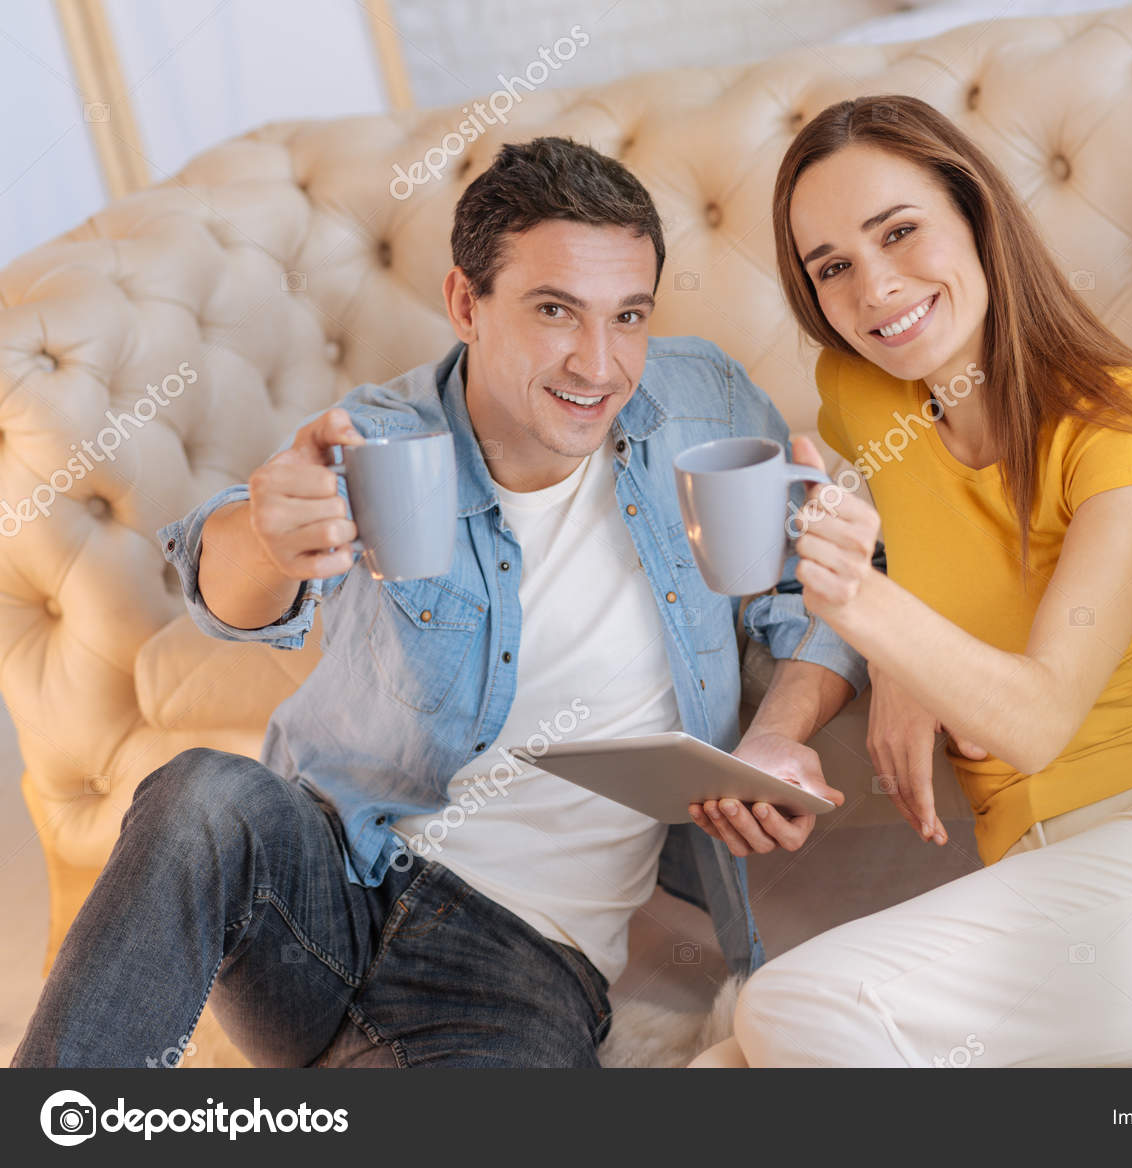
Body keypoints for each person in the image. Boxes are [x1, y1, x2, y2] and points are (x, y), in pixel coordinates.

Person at [13, 137, 866, 1069]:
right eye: (554, 311)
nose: (600, 363)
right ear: (467, 303)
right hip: (329, 888)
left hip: (523, 961)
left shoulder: (704, 405)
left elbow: (821, 587)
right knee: (203, 796)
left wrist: (778, 733)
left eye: (629, 315)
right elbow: (225, 596)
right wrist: (264, 536)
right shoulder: (387, 442)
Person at [690, 95, 1132, 1068]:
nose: (876, 289)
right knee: (728, 1063)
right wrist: (803, 718)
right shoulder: (864, 393)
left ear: (976, 217)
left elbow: (1036, 718)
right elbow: (906, 544)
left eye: (900, 233)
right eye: (833, 268)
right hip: (1046, 866)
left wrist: (870, 605)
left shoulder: (1124, 427)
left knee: (784, 1012)